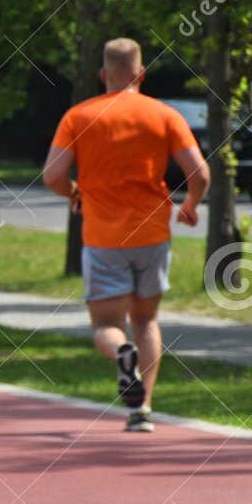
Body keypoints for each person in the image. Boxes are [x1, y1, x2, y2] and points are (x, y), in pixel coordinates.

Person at [43, 37, 209, 433]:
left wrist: (74, 193)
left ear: (103, 74)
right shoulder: (164, 115)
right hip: (152, 235)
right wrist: (190, 205)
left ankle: (121, 352)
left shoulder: (79, 116)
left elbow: (52, 175)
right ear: (141, 74)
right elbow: (199, 173)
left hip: (103, 238)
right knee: (146, 319)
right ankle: (142, 410)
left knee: (106, 325)